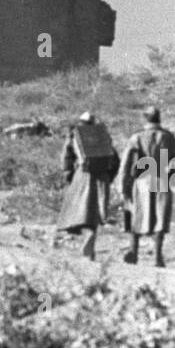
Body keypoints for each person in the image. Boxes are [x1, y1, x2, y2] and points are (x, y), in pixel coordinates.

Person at [119, 106, 175, 268]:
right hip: (161, 179)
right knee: (160, 217)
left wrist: (122, 185)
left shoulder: (136, 138)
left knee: (136, 214)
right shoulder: (168, 137)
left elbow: (126, 164)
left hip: (141, 181)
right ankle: (158, 257)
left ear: (145, 119)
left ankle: (134, 253)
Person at [55, 111, 119, 260]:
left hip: (83, 175)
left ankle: (87, 236)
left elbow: (66, 157)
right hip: (102, 177)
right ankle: (91, 249)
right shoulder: (102, 137)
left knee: (80, 211)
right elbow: (115, 159)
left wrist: (68, 174)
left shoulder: (75, 135)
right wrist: (109, 176)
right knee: (95, 213)